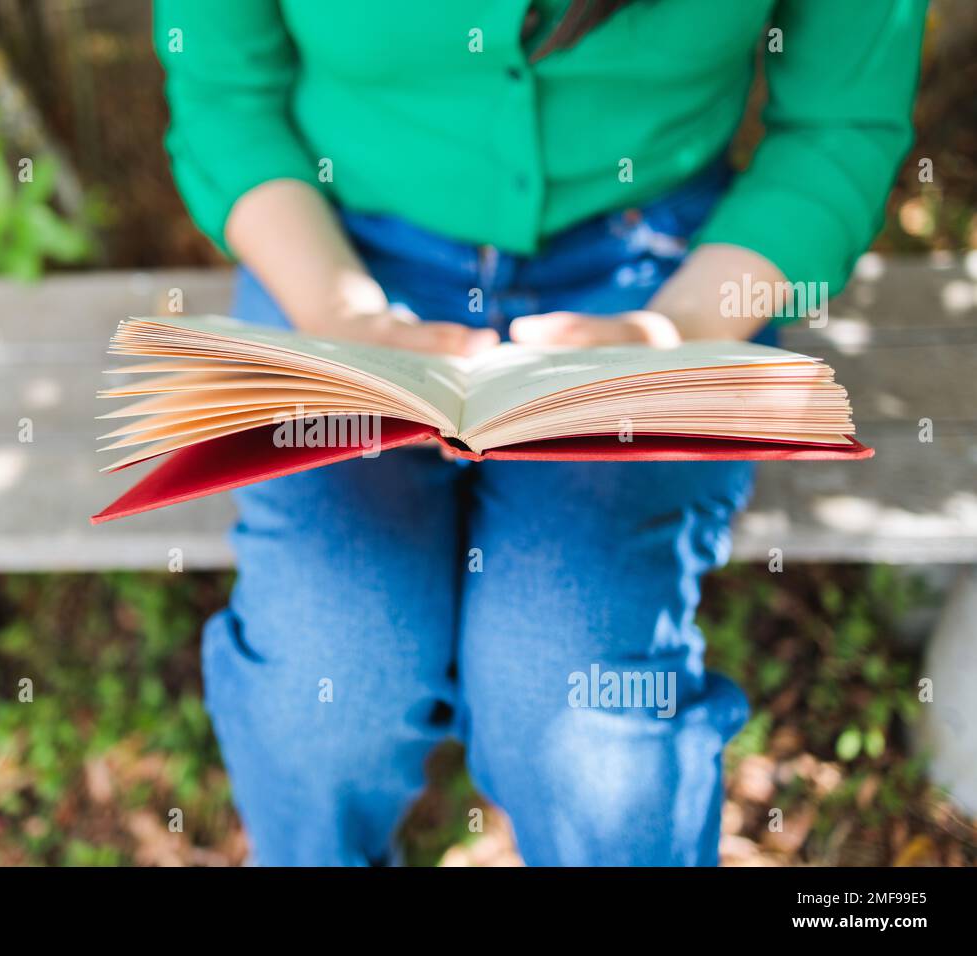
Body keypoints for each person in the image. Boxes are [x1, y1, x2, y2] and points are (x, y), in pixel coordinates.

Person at [153, 0, 927, 865]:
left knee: (580, 706)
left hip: (671, 271)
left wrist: (674, 331)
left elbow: (839, 128)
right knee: (326, 680)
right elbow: (226, 97)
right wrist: (338, 308)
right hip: (331, 252)